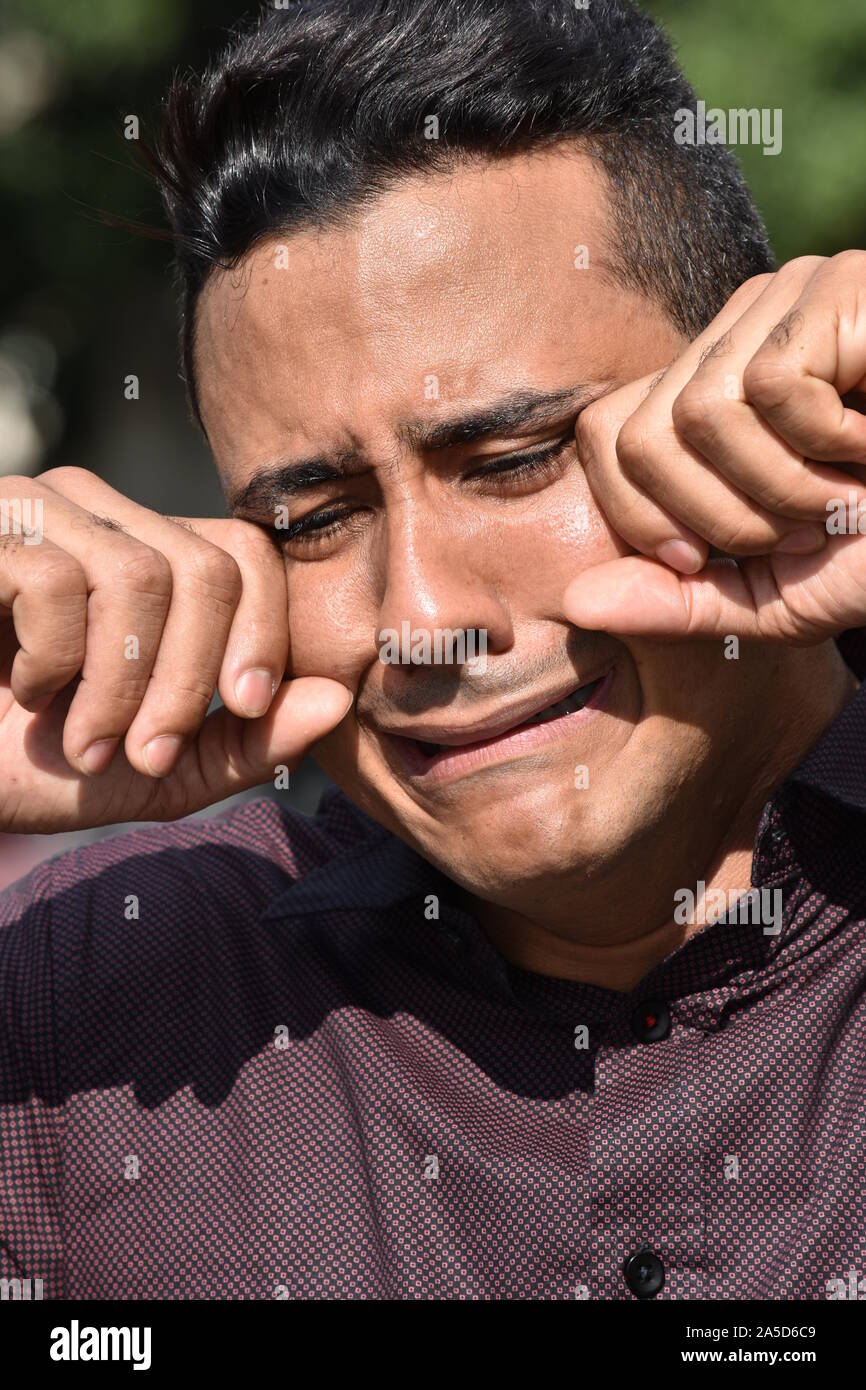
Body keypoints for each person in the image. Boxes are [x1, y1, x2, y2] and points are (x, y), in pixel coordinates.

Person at [2, 0, 866, 1300]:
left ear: (747, 390)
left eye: (512, 460)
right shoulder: (90, 1007)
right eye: (312, 519)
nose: (418, 611)